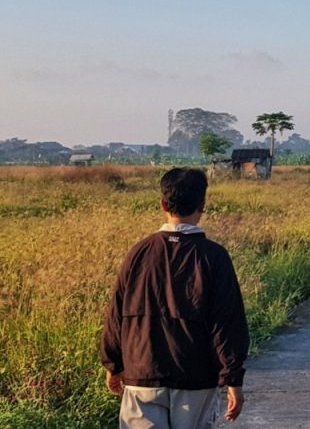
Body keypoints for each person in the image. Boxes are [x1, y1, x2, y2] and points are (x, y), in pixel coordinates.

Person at [101, 168, 249, 428]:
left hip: (141, 373)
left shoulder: (139, 252)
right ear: (202, 204)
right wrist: (233, 378)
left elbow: (117, 313)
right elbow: (227, 322)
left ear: (162, 204)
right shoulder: (214, 257)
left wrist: (114, 364)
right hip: (195, 377)